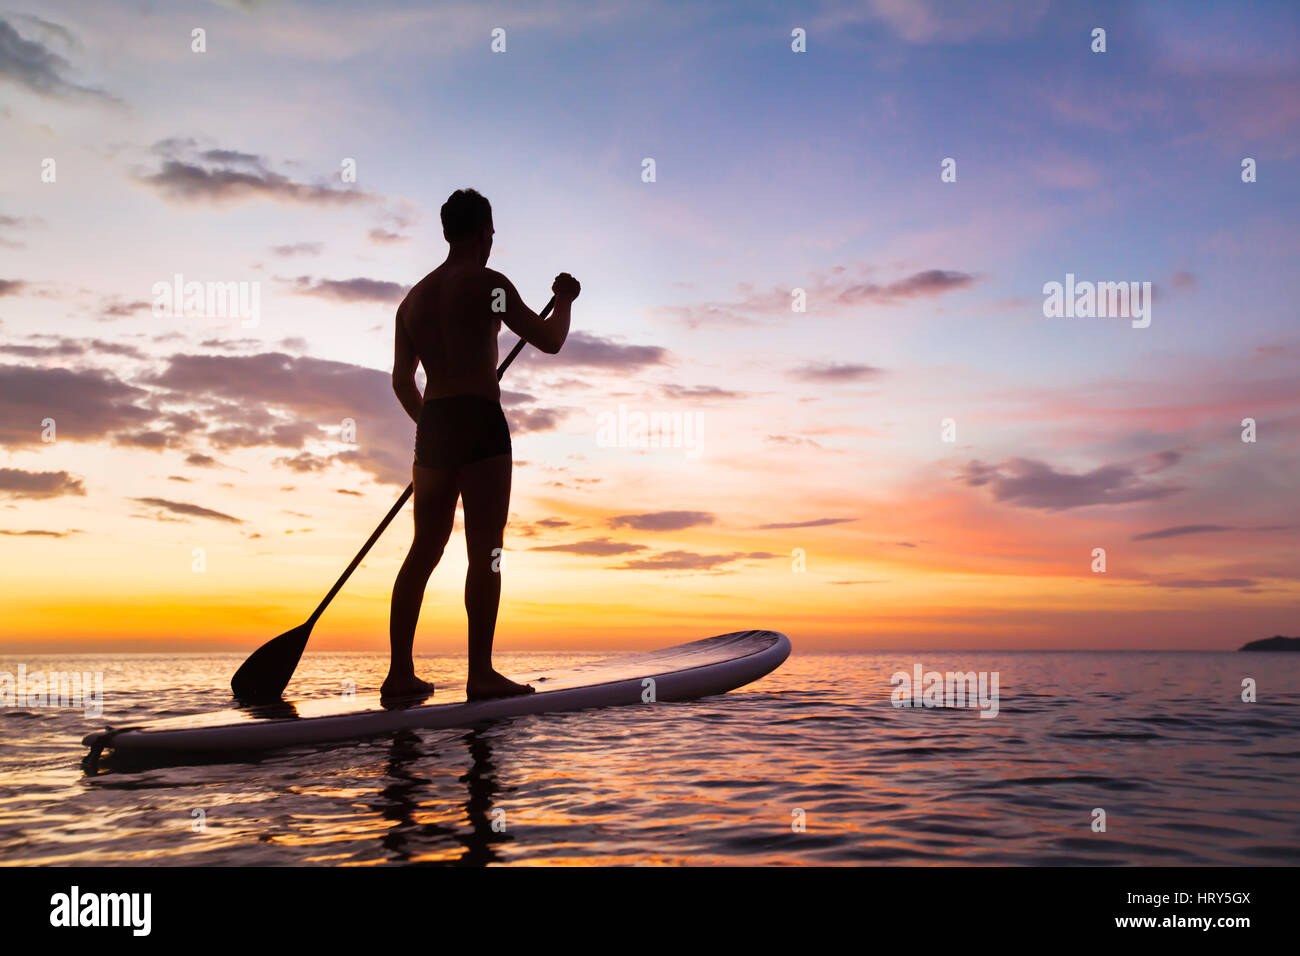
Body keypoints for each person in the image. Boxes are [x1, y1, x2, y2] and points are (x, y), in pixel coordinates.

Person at [384, 188, 579, 700]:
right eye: (492, 231)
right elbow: (551, 339)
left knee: (423, 551)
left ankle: (399, 676)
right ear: (483, 232)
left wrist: (431, 426)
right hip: (480, 421)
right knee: (486, 552)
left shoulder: (413, 302)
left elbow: (403, 382)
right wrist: (564, 302)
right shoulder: (489, 284)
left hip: (438, 424)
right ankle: (481, 675)